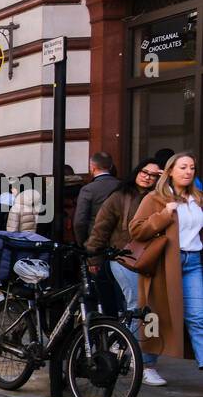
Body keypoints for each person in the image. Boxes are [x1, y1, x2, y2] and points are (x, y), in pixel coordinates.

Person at [129, 152, 203, 385]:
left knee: (197, 316)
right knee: (155, 315)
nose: (188, 172)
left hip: (193, 262)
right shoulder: (155, 198)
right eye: (182, 167)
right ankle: (147, 364)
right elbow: (136, 229)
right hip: (163, 263)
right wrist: (163, 215)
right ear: (170, 171)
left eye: (191, 167)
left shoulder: (198, 198)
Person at [88, 158, 162, 377]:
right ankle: (134, 356)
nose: (148, 177)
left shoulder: (162, 199)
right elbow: (100, 229)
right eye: (144, 172)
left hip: (154, 261)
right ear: (136, 172)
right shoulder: (120, 197)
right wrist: (93, 258)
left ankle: (141, 356)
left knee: (152, 313)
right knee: (139, 305)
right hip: (123, 259)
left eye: (154, 175)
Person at [74, 152, 119, 246]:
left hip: (95, 240)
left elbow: (79, 222)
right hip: (119, 241)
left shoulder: (88, 189)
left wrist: (82, 243)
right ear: (111, 167)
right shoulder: (122, 186)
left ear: (92, 167)